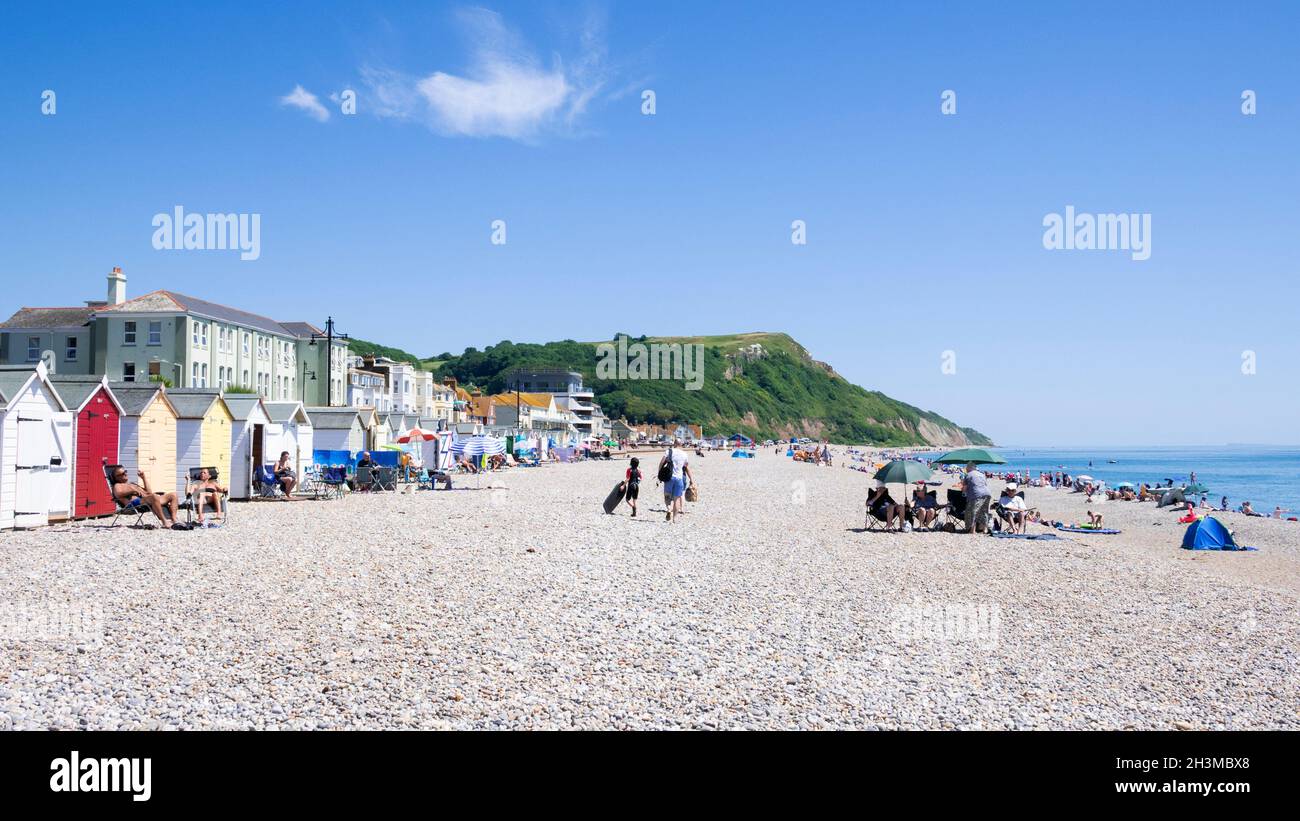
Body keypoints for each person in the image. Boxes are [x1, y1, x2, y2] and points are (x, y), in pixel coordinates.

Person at [111, 466, 182, 529]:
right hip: (135, 503)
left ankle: (174, 519)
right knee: (153, 497)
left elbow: (149, 492)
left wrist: (143, 477)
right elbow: (118, 494)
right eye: (122, 474)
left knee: (173, 495)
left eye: (125, 472)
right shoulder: (117, 485)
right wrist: (131, 491)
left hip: (148, 499)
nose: (125, 474)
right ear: (117, 477)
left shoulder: (132, 484)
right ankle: (164, 521)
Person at [661, 446, 692, 523]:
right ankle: (675, 519)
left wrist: (659, 472)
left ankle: (668, 509)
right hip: (679, 478)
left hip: (669, 477)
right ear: (681, 445)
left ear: (674, 444)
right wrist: (691, 479)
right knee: (677, 499)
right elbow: (686, 466)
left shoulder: (669, 451)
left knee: (667, 495)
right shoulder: (684, 454)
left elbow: (662, 462)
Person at [963, 462, 991, 534]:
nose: (966, 469)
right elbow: (984, 484)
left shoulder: (968, 475)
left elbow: (964, 489)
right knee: (984, 511)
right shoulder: (982, 474)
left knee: (974, 511)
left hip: (976, 495)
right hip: (987, 493)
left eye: (966, 468)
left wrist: (963, 491)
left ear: (969, 468)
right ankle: (985, 529)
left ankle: (973, 530)